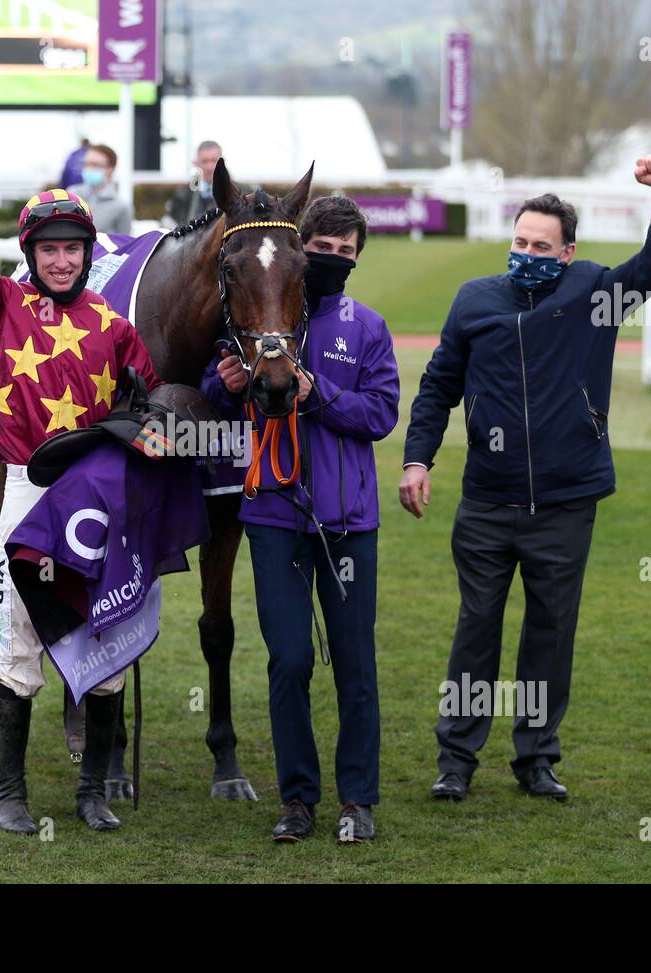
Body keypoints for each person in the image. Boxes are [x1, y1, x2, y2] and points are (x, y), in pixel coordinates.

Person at [399, 156, 651, 803]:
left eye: (540, 246)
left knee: (550, 633)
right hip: (486, 499)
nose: (526, 254)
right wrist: (417, 459)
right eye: (519, 242)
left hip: (565, 500)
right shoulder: (474, 300)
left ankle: (535, 757)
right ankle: (456, 758)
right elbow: (439, 386)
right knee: (476, 627)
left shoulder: (593, 291)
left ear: (567, 253)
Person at [0, 108, 161, 836]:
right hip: (29, 493)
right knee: (20, 643)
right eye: (50, 249)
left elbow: (154, 407)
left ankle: (92, 792)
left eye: (72, 249)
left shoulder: (115, 327)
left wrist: (155, 419)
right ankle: (10, 794)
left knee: (106, 642)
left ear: (88, 254)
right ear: (31, 253)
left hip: (96, 497)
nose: (61, 261)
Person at [201, 195, 400, 842]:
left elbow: (381, 414)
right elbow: (211, 394)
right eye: (322, 248)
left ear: (358, 257)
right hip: (273, 515)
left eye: (346, 251)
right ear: (298, 248)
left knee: (354, 664)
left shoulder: (367, 327)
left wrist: (321, 393)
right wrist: (226, 385)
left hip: (348, 522)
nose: (333, 258)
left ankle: (358, 800)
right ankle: (297, 799)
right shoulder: (251, 317)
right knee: (288, 661)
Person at [66, 143, 132, 234]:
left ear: (110, 169)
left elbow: (125, 239)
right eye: (86, 164)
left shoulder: (121, 206)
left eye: (95, 165)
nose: (89, 169)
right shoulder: (71, 195)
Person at [163, 140, 222, 228]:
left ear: (222, 162)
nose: (210, 167)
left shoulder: (239, 193)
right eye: (205, 161)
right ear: (196, 163)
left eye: (214, 161)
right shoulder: (182, 195)